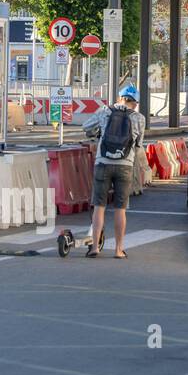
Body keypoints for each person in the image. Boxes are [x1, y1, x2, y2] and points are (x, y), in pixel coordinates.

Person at [82, 84, 145, 259]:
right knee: (120, 209)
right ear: (136, 103)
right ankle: (118, 249)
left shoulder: (105, 111)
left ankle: (95, 247)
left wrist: (96, 133)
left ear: (119, 98)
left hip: (102, 163)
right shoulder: (139, 118)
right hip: (125, 165)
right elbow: (139, 145)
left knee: (99, 207)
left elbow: (86, 127)